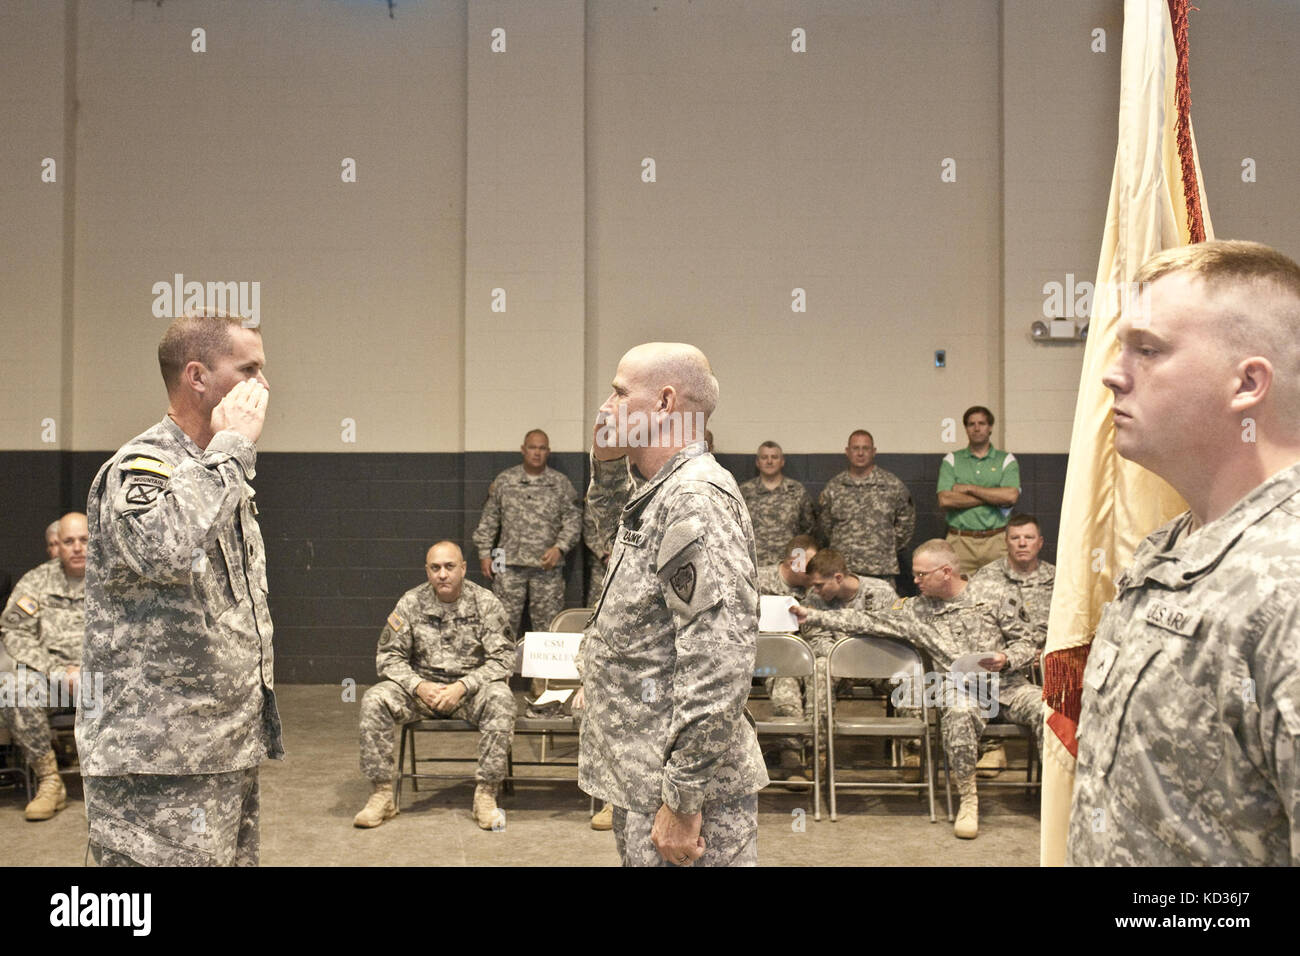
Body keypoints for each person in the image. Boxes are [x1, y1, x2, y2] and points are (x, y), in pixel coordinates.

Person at [1067, 240, 1300, 866]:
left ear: (1247, 383)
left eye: (1148, 349)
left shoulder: (1289, 585)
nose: (1114, 373)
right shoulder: (1170, 548)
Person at [77, 311, 282, 867]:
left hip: (220, 749)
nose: (263, 385)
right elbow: (162, 551)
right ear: (197, 376)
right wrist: (234, 445)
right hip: (156, 762)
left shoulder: (215, 468)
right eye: (249, 369)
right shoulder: (142, 469)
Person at [581, 342, 768, 866]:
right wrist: (607, 459)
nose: (604, 407)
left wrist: (683, 800)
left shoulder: (695, 499)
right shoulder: (658, 493)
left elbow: (719, 660)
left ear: (664, 403)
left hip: (683, 789)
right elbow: (602, 535)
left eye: (619, 392)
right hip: (644, 771)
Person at [794, 539, 1042, 839]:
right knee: (960, 711)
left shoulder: (995, 596)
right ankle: (967, 798)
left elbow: (1029, 642)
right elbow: (866, 620)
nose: (915, 581)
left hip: (1008, 684)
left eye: (921, 575)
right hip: (960, 687)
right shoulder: (915, 611)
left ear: (946, 572)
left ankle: (1055, 796)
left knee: (1047, 709)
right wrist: (814, 615)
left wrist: (1006, 658)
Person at [354, 541, 516, 831]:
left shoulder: (486, 602)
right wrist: (418, 686)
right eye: (435, 568)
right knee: (374, 699)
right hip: (422, 693)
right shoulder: (411, 602)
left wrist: (464, 686)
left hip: (470, 694)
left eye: (449, 567)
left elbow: (503, 659)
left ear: (463, 569)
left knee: (501, 697)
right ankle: (381, 795)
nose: (443, 574)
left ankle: (486, 795)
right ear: (427, 571)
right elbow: (388, 656)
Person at [1, 512, 87, 820]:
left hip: (106, 678)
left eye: (84, 540)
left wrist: (90, 669)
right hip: (55, 681)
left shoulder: (116, 580)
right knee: (13, 689)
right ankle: (50, 781)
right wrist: (56, 671)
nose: (77, 547)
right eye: (68, 541)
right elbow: (14, 630)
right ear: (58, 546)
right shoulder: (37, 581)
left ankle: (134, 784)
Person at [967, 513, 1054, 776]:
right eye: (1015, 538)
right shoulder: (987, 578)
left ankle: (1050, 780)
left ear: (1040, 542)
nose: (1022, 544)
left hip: (1049, 658)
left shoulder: (1057, 579)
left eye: (1028, 538)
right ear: (1006, 542)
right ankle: (993, 748)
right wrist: (1014, 653)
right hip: (1005, 662)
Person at [472, 429, 581, 639]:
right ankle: (500, 671)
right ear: (523, 450)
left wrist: (560, 548)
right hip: (507, 565)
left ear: (548, 452)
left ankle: (544, 674)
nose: (537, 453)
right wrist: (484, 553)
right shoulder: (505, 480)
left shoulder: (560, 484)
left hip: (546, 567)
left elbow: (573, 521)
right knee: (501, 625)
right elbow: (489, 519)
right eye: (532, 447)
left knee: (548, 630)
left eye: (542, 448)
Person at [816, 429, 915, 582]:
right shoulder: (834, 486)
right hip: (843, 570)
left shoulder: (892, 484)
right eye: (855, 448)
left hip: (880, 569)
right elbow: (826, 527)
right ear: (847, 452)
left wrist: (886, 547)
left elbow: (906, 524)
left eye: (865, 448)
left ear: (873, 452)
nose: (860, 453)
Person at [937, 406, 1020, 576]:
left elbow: (1011, 496)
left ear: (990, 427)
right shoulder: (952, 459)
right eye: (971, 424)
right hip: (960, 541)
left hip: (996, 541)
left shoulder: (1006, 460)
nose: (976, 428)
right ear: (966, 428)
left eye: (981, 423)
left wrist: (969, 489)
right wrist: (993, 496)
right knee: (956, 594)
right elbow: (945, 500)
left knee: (1000, 592)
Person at [739, 442, 816, 567]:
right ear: (757, 462)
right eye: (764, 457)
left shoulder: (797, 490)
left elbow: (808, 532)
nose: (769, 461)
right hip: (754, 565)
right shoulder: (744, 491)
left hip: (790, 565)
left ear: (782, 462)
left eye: (774, 457)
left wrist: (799, 565)